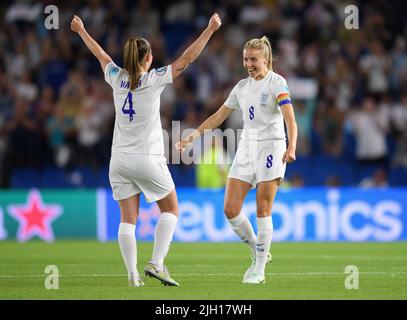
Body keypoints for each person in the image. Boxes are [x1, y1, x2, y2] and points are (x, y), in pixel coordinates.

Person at [71, 13, 222, 287]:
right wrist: (210, 29)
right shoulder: (154, 79)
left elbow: (101, 54)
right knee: (172, 210)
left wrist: (81, 31)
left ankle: (132, 277)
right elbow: (187, 59)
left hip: (118, 159)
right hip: (147, 159)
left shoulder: (116, 77)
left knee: (128, 219)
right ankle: (156, 262)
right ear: (148, 58)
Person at [177, 36, 297, 284]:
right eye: (245, 59)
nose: (248, 63)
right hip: (245, 148)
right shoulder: (241, 87)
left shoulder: (277, 82)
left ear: (266, 59)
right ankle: (257, 250)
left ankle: (259, 270)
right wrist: (193, 136)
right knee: (230, 209)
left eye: (253, 59)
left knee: (263, 209)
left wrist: (291, 145)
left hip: (272, 147)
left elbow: (290, 120)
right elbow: (218, 117)